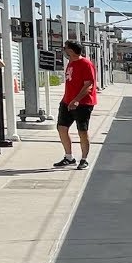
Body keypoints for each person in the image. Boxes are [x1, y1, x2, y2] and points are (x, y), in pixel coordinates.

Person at [55, 40, 97, 170]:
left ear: (71, 51)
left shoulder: (86, 64)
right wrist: (68, 100)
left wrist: (76, 100)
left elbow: (88, 85)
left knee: (82, 131)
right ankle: (69, 157)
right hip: (67, 101)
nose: (64, 50)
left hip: (83, 103)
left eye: (65, 48)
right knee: (62, 128)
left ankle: (84, 159)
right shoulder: (71, 63)